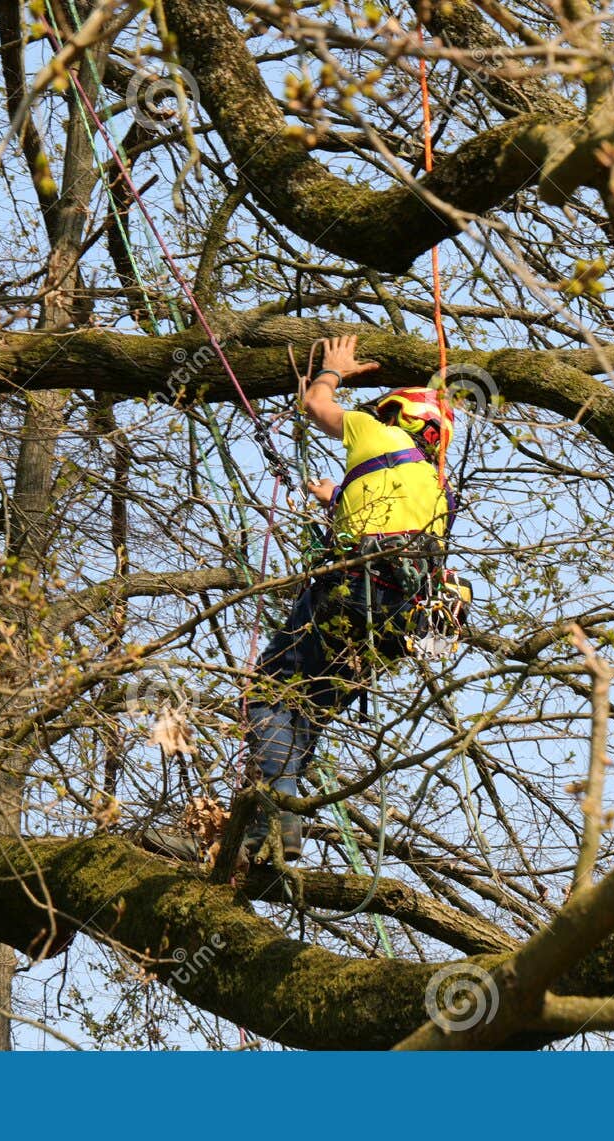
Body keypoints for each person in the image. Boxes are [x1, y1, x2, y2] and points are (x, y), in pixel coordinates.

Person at [241, 335, 455, 863]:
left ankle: (282, 809)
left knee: (267, 692)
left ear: (396, 418)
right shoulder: (436, 485)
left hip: (348, 595)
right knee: (307, 708)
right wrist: (334, 497)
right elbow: (391, 525)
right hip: (397, 622)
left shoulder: (374, 433)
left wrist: (332, 372)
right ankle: (267, 832)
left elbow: (316, 406)